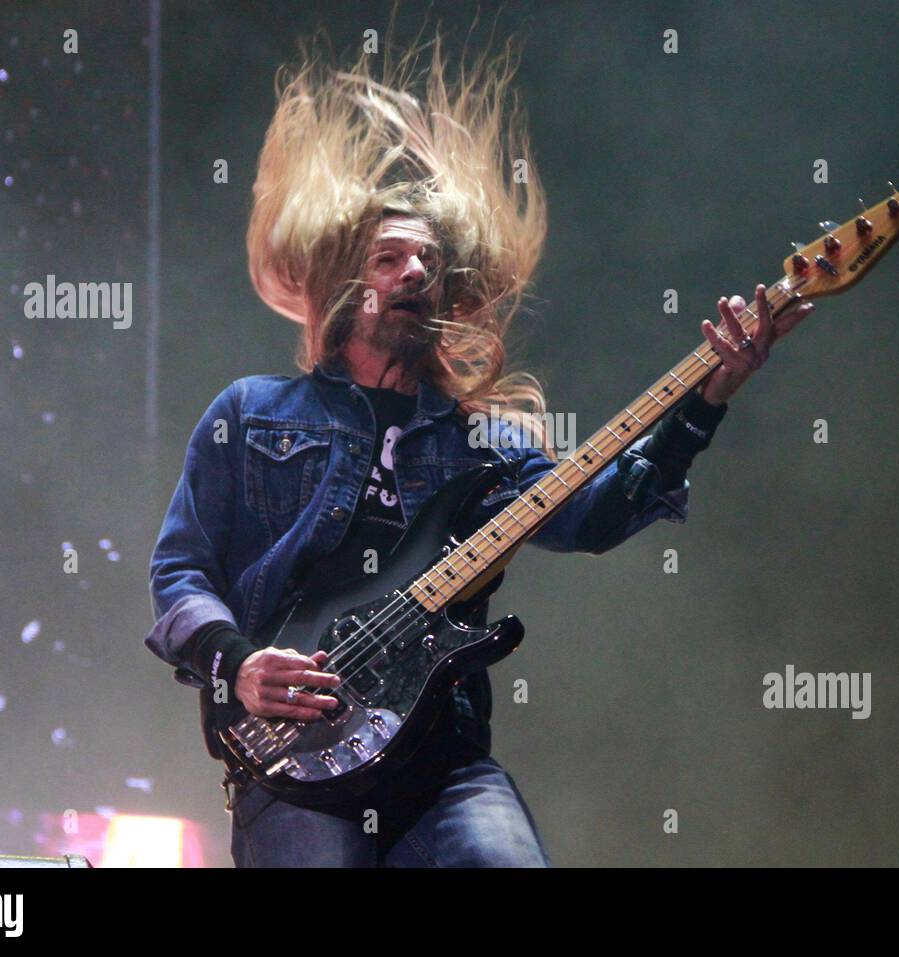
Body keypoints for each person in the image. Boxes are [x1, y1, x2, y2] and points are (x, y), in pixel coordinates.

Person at [144, 31, 814, 867]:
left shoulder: (485, 441)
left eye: (429, 259)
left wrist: (710, 395)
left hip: (441, 760)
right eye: (390, 258)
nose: (415, 271)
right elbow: (179, 572)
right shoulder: (250, 410)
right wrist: (237, 665)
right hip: (295, 755)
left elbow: (597, 515)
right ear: (346, 284)